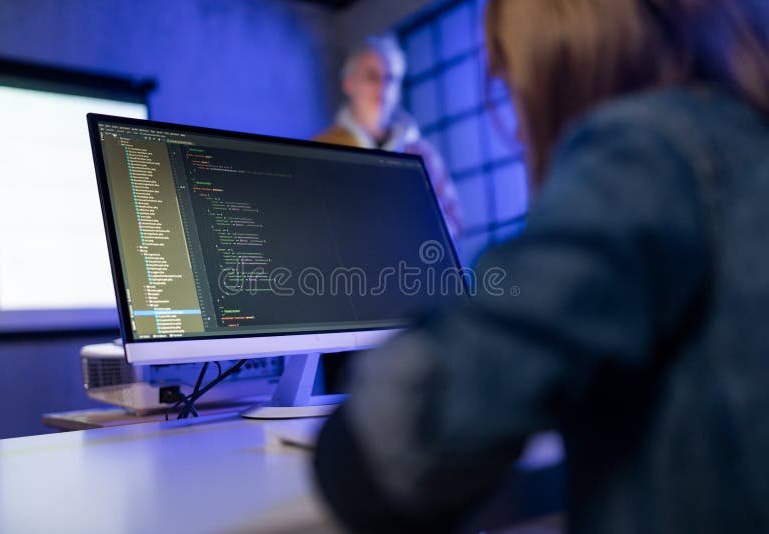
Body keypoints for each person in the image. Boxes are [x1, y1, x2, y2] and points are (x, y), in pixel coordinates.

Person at [313, 1, 769, 533]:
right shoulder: (733, 139)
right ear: (349, 83)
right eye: (373, 77)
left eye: (508, 85)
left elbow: (392, 449)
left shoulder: (647, 149)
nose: (516, 128)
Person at [315, 35, 463, 239]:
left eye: (390, 78)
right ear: (349, 83)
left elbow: (455, 220)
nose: (382, 87)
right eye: (372, 76)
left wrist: (424, 219)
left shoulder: (423, 153)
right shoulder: (321, 149)